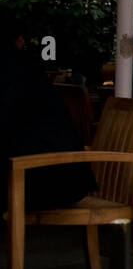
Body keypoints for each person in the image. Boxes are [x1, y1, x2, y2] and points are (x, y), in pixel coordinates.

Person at [0, 15, 96, 210]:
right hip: (60, 177)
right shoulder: (25, 68)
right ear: (19, 41)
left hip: (44, 180)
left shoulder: (13, 70)